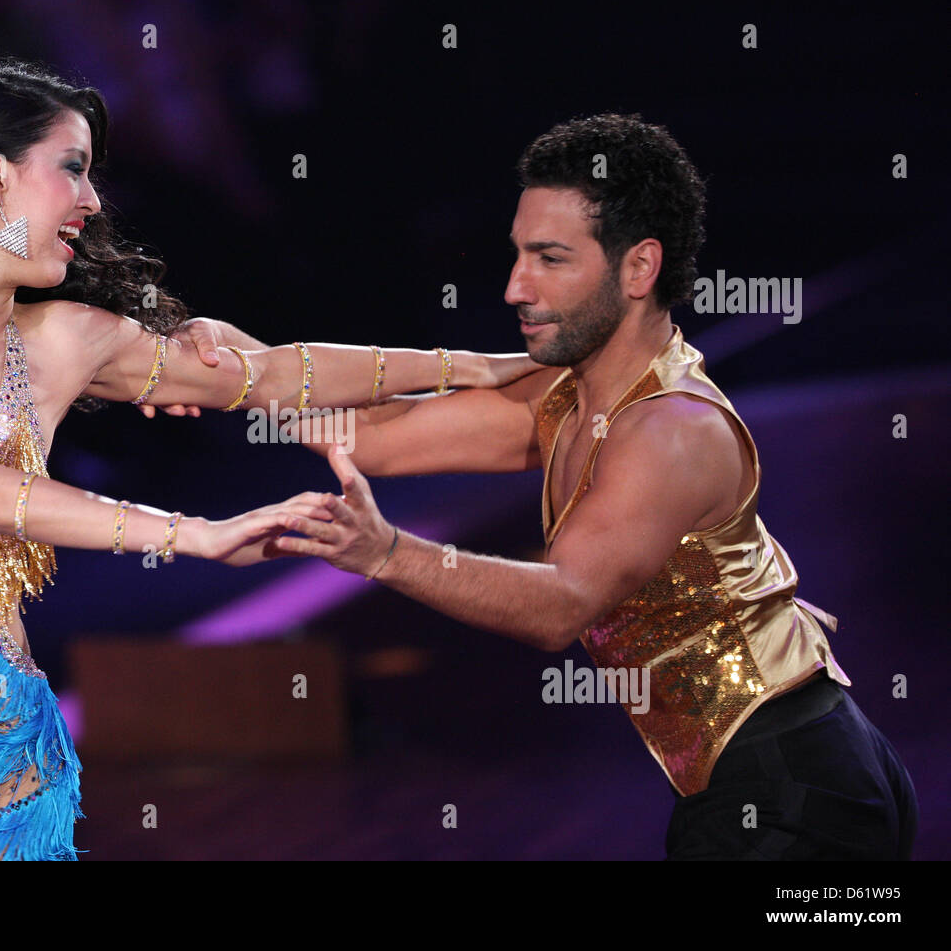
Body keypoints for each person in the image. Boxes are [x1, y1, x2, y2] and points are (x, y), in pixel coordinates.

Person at [0, 57, 532, 861]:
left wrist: (475, 365)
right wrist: (196, 534)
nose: (93, 202)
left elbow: (276, 372)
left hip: (3, 751)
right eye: (72, 169)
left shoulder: (68, 339)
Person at [237, 113, 919, 860]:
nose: (514, 287)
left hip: (798, 795)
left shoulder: (670, 432)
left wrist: (385, 553)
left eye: (549, 259)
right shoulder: (563, 396)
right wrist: (216, 364)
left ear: (638, 268)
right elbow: (365, 436)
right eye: (518, 255)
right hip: (762, 783)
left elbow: (560, 606)